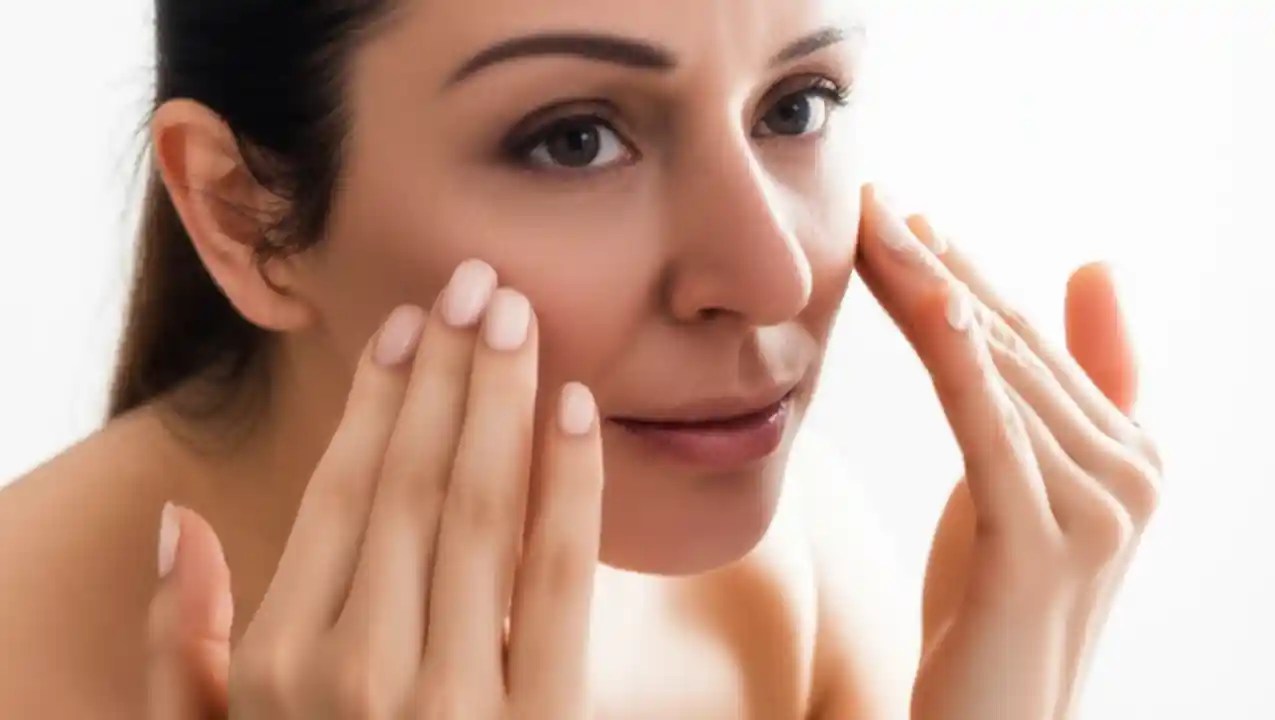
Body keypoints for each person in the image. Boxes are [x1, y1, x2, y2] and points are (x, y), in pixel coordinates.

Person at [0, 0, 1163, 717]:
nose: (769, 278)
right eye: (574, 140)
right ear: (241, 208)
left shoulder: (780, 588)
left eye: (795, 107)